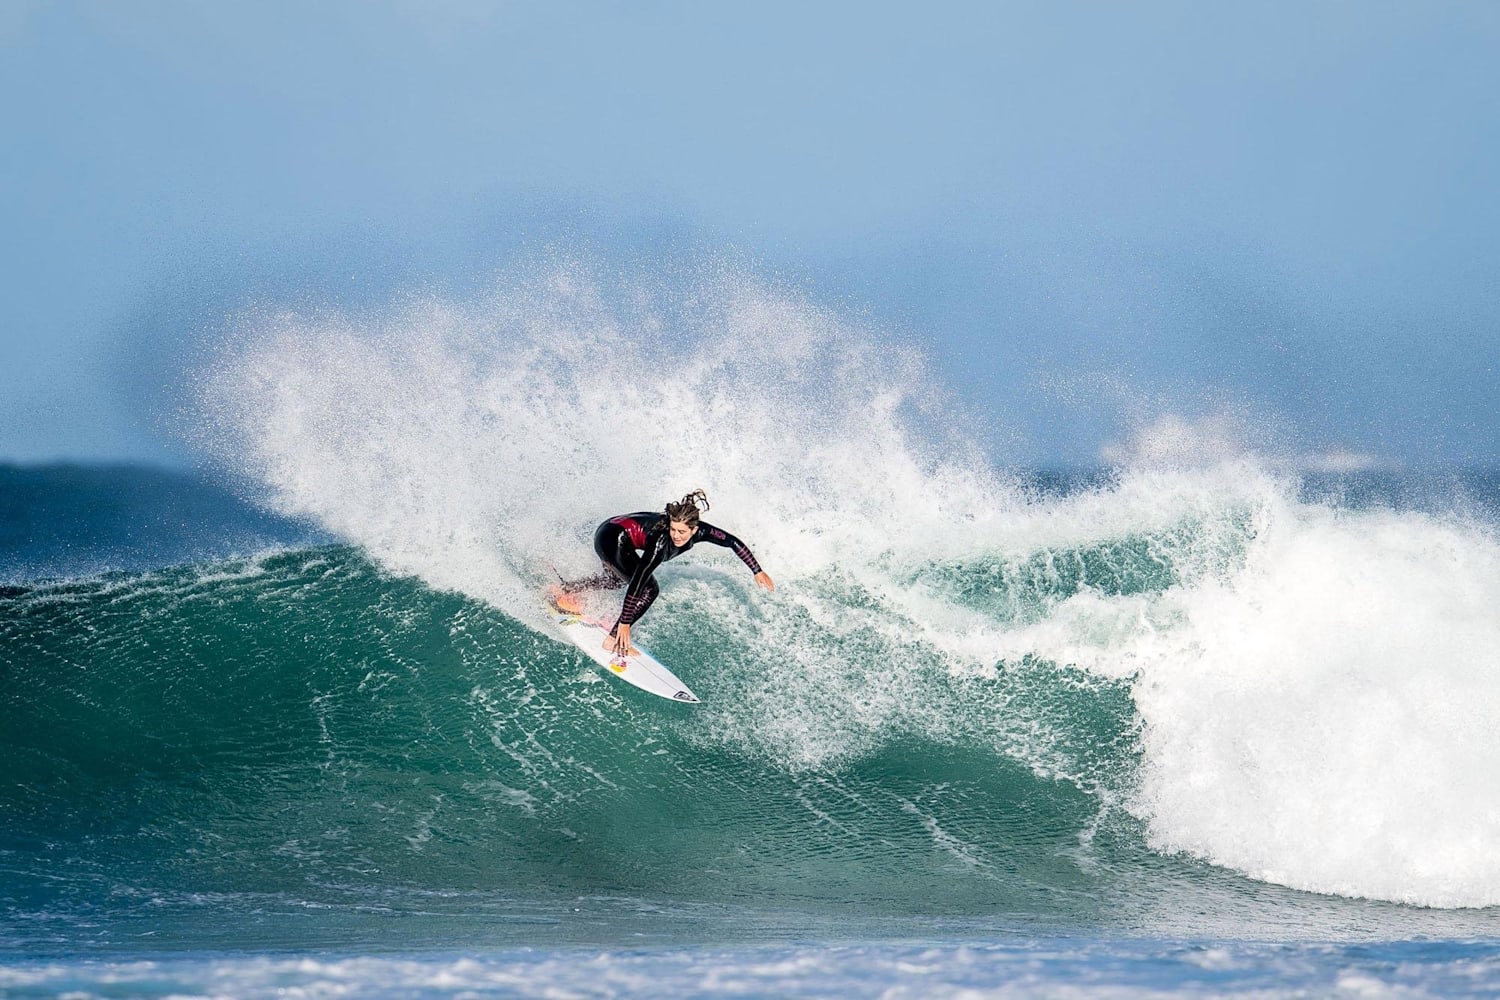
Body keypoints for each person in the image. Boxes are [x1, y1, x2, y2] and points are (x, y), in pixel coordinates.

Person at [553, 490, 774, 656]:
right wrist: (625, 624)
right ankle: (613, 640)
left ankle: (566, 590)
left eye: (682, 532)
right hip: (611, 538)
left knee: (615, 579)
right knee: (650, 589)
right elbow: (638, 584)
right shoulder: (661, 543)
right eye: (673, 529)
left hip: (610, 529)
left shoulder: (703, 530)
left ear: (695, 530)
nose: (676, 535)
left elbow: (732, 542)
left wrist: (757, 570)